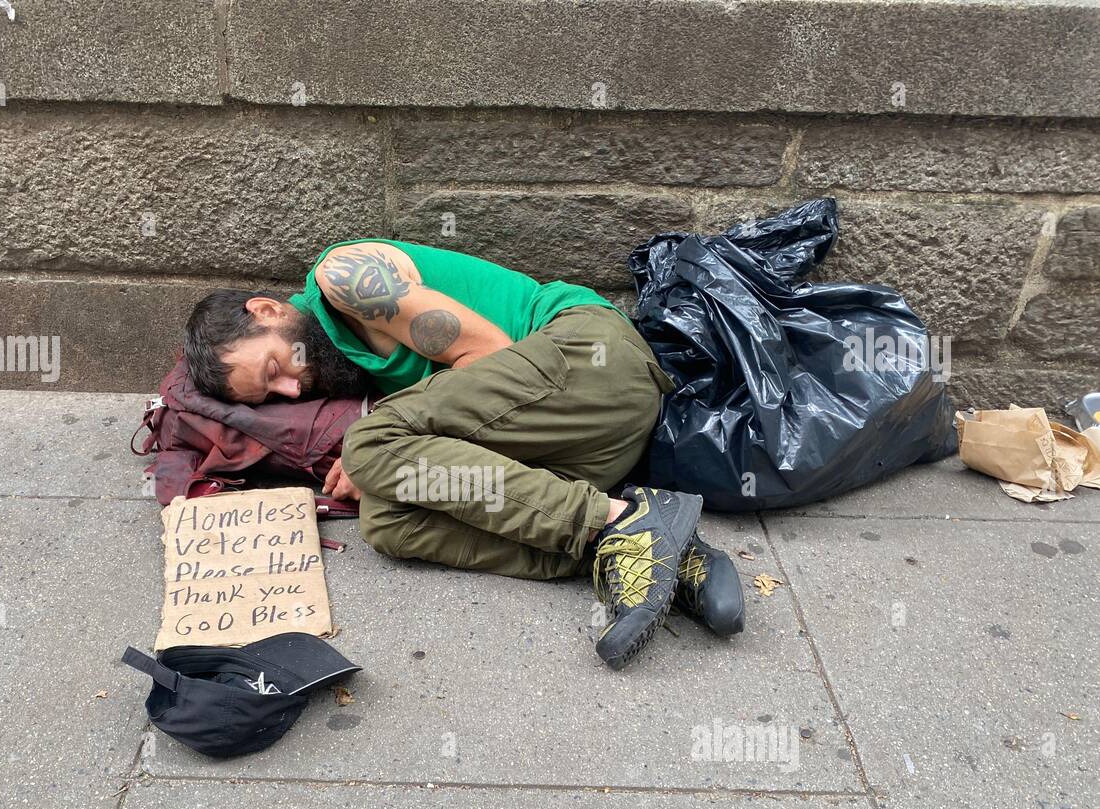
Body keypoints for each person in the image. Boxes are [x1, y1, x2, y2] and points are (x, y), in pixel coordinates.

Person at [182, 240, 742, 668]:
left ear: (268, 311)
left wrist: (372, 447)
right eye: (273, 397)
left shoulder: (346, 278)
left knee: (373, 445)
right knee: (388, 521)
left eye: (275, 369)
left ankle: (616, 521)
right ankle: (649, 547)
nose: (291, 391)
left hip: (591, 362)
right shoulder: (338, 358)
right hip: (584, 450)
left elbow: (491, 353)